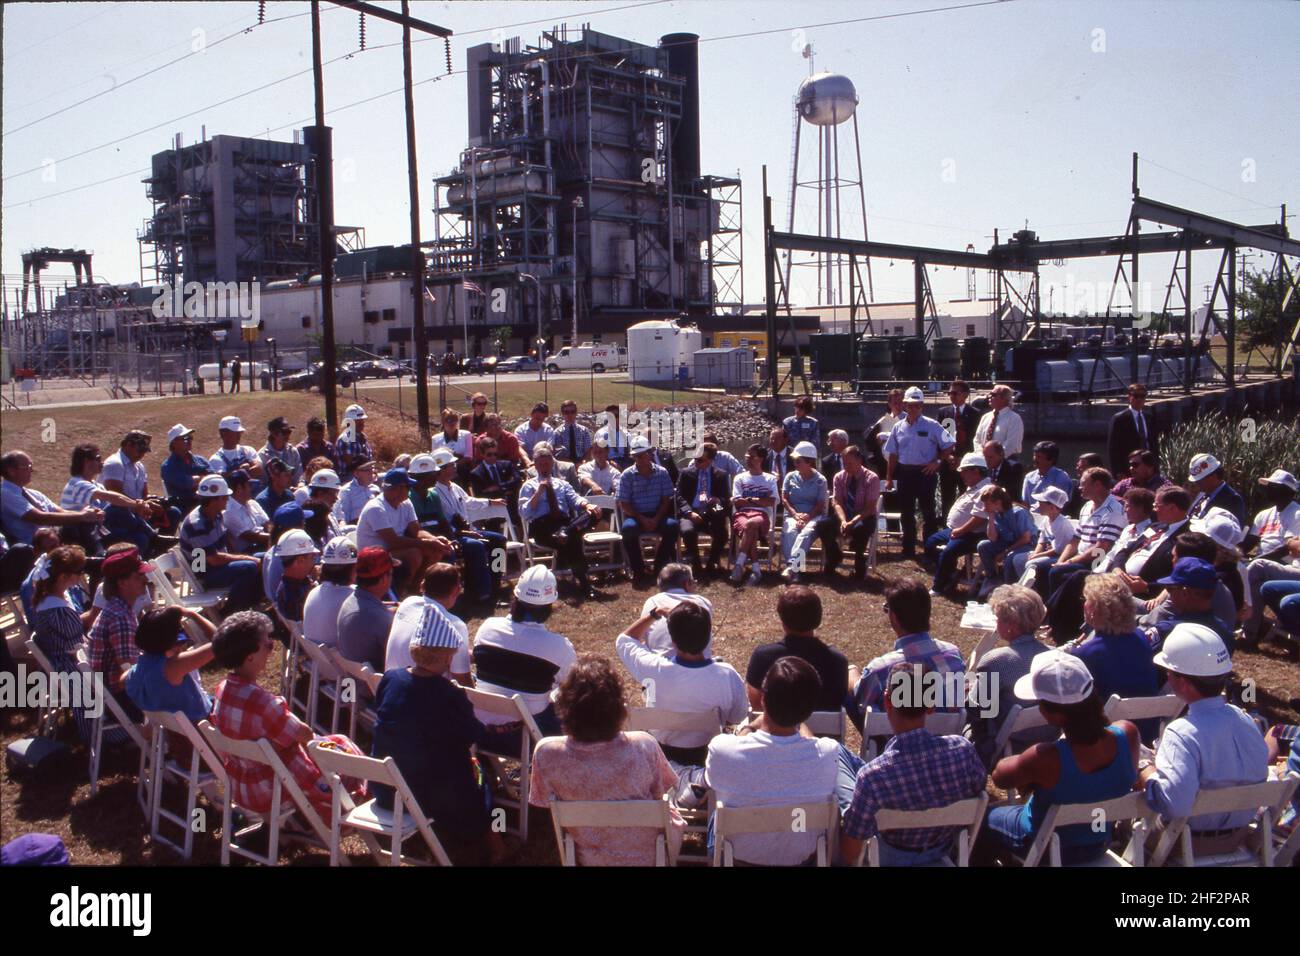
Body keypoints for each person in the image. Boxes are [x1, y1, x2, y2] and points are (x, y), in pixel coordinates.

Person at [370, 598, 506, 864]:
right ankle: (498, 847)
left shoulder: (391, 679)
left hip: (387, 788)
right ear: (446, 655)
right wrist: (498, 730)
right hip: (432, 793)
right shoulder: (449, 695)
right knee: (481, 778)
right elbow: (475, 736)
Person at [976, 652, 1140, 865]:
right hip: (1099, 840)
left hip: (1047, 846)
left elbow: (1000, 777)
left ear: (1053, 715)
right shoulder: (1127, 733)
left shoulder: (1046, 757)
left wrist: (1029, 764)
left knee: (983, 820)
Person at [210, 611, 366, 825]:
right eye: (269, 646)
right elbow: (305, 735)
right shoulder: (264, 704)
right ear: (250, 656)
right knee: (346, 755)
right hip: (271, 788)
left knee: (335, 742)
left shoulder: (221, 690)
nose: (271, 651)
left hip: (241, 785)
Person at [528, 656, 685, 866]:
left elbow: (542, 802)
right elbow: (660, 793)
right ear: (619, 708)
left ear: (566, 707)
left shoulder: (547, 753)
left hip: (588, 857)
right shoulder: (644, 746)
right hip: (650, 856)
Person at [838, 661, 989, 866]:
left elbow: (850, 852)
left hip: (888, 856)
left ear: (888, 702)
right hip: (941, 850)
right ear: (931, 705)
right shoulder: (963, 751)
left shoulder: (873, 777)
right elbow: (977, 791)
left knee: (837, 754)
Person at [1137, 623, 1269, 856]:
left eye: (1168, 672)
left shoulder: (1181, 732)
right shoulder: (1247, 721)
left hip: (1186, 845)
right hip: (1237, 839)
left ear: (1183, 682)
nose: (1166, 676)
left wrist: (1144, 771)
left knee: (1125, 823)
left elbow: (1175, 805)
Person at [704, 657, 841, 866]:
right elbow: (811, 742)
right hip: (799, 858)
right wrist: (796, 719)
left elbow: (714, 776)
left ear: (763, 700)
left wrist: (749, 727)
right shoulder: (828, 754)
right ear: (810, 709)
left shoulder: (722, 750)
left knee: (718, 814)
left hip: (738, 856)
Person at [616, 602, 748, 769]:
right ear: (708, 636)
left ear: (672, 639)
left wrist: (654, 614)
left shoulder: (653, 668)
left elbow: (624, 640)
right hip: (707, 758)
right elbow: (737, 717)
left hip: (661, 758)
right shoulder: (727, 675)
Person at [846, 578, 964, 733]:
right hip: (943, 741)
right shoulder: (953, 655)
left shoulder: (881, 668)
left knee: (848, 691)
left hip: (895, 742)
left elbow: (862, 702)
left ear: (893, 617)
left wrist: (851, 673)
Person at [472, 566, 576, 740]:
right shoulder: (560, 647)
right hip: (525, 736)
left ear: (515, 598)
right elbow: (571, 689)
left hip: (481, 731)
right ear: (549, 606)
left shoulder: (487, 628)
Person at [967, 585, 1055, 765]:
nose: (996, 623)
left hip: (1009, 742)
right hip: (1048, 738)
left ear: (1011, 626)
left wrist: (967, 695)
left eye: (998, 619)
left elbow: (979, 710)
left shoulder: (996, 660)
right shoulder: (1054, 655)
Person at [1039, 467, 1126, 619]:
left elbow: (1101, 548)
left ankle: (1055, 617)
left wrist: (1068, 562)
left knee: (1057, 572)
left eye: (1083, 483)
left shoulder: (1113, 510)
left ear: (1097, 485)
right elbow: (1075, 539)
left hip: (1098, 561)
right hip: (1081, 557)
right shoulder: (1086, 506)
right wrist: (1061, 561)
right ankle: (1046, 613)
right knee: (1043, 567)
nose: (1079, 487)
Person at [745, 585, 848, 714]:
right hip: (823, 734)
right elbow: (836, 703)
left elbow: (756, 706)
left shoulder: (763, 656)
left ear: (782, 620)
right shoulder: (837, 660)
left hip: (774, 733)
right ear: (818, 618)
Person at [518, 443, 601, 600]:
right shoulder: (528, 486)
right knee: (573, 539)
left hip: (564, 523)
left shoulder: (561, 483)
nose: (544, 467)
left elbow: (575, 499)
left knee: (593, 513)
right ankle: (585, 583)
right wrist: (538, 492)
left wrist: (587, 504)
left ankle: (566, 532)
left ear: (552, 464)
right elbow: (524, 512)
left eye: (547, 463)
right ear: (535, 465)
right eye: (541, 464)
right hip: (542, 526)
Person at [883, 386, 956, 559]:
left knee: (928, 512)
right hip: (905, 473)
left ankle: (930, 550)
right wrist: (889, 477)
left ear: (922, 406)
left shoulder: (932, 425)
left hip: (925, 473)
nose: (914, 408)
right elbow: (892, 454)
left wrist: (937, 462)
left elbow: (949, 444)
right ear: (905, 405)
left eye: (918, 405)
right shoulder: (897, 427)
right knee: (906, 513)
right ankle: (908, 549)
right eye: (910, 405)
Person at [1067, 574, 1161, 705]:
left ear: (1093, 610)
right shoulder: (1141, 637)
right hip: (1149, 721)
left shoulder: (1084, 655)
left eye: (1086, 599)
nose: (1083, 604)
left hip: (1111, 724)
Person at [85, 546, 154, 719]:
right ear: (122, 583)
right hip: (120, 698)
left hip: (111, 690)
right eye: (139, 576)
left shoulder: (119, 608)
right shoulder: (120, 617)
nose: (145, 579)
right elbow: (127, 669)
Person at [178, 475, 263, 614]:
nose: (228, 500)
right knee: (249, 567)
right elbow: (214, 559)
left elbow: (225, 545)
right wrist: (248, 558)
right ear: (213, 500)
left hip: (218, 566)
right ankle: (230, 612)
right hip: (205, 573)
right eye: (224, 497)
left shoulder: (216, 515)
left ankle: (252, 605)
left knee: (264, 558)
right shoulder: (197, 524)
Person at [356, 468, 448, 594]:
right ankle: (401, 592)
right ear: (398, 489)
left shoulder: (406, 503)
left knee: (435, 551)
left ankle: (415, 589)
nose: (410, 491)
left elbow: (416, 532)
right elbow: (393, 541)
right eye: (408, 487)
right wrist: (427, 543)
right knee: (414, 554)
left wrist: (435, 540)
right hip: (373, 555)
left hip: (394, 550)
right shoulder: (376, 508)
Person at [124, 605, 217, 728]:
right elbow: (220, 641)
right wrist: (191, 614)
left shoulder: (133, 674)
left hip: (172, 737)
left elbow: (122, 680)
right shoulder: (174, 666)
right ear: (171, 639)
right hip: (205, 732)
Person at [385, 563, 473, 685]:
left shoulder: (407, 603)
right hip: (425, 697)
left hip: (392, 687)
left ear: (422, 585)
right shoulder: (456, 625)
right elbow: (463, 682)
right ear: (457, 590)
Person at [1242, 469, 1300, 645]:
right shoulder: (1264, 514)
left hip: (1288, 565)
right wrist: (1235, 555)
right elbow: (1249, 542)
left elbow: (1288, 549)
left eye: (1273, 487)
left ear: (1287, 491)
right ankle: (1247, 627)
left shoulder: (1296, 513)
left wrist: (1255, 561)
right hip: (1264, 562)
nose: (1268, 491)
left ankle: (1246, 627)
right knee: (1243, 568)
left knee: (1258, 567)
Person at [1, 450, 103, 550]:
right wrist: (82, 516)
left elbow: (61, 512)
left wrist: (89, 514)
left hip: (52, 538)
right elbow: (39, 518)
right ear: (11, 471)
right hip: (34, 546)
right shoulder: (5, 493)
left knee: (84, 523)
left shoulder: (34, 494)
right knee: (75, 526)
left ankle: (97, 554)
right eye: (28, 467)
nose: (32, 470)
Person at [60, 443, 149, 556]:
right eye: (98, 459)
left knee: (139, 537)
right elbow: (111, 497)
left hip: (100, 530)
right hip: (85, 534)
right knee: (116, 506)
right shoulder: (77, 484)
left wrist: (137, 505)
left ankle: (149, 543)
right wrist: (136, 505)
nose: (102, 463)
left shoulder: (96, 485)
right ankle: (151, 537)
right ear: (86, 462)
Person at [924, 452, 990, 595]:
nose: (962, 475)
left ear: (976, 471)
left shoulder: (986, 490)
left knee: (949, 552)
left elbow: (979, 518)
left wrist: (960, 531)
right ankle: (950, 574)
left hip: (973, 534)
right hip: (958, 530)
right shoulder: (974, 486)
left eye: (964, 471)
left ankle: (939, 586)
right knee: (930, 543)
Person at [618, 436, 679, 581]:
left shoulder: (662, 472)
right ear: (632, 456)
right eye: (636, 455)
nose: (640, 458)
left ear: (649, 453)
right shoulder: (626, 475)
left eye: (642, 454)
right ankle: (638, 569)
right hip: (636, 515)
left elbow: (666, 499)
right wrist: (642, 518)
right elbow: (624, 503)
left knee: (673, 527)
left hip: (658, 514)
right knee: (627, 530)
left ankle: (659, 565)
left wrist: (656, 518)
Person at [1148, 557, 1236, 656]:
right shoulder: (1225, 633)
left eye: (1170, 589)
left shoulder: (1166, 630)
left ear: (1184, 593)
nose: (1169, 593)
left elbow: (1135, 655)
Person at [335, 547, 397, 671]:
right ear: (384, 578)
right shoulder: (375, 617)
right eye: (391, 574)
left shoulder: (351, 600)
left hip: (353, 679)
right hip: (370, 687)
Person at [826, 445, 880, 580]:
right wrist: (844, 521)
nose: (846, 467)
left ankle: (859, 564)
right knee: (823, 526)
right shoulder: (839, 477)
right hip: (844, 515)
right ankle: (834, 557)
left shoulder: (871, 478)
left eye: (849, 463)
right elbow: (836, 502)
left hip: (864, 516)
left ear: (859, 461)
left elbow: (869, 508)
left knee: (860, 529)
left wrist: (852, 522)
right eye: (844, 463)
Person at [677, 444, 730, 577]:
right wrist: (689, 512)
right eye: (695, 459)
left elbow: (726, 498)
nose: (696, 462)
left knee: (722, 532)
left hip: (712, 508)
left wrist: (719, 501)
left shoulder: (721, 475)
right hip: (692, 509)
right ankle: (696, 564)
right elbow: (678, 496)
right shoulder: (686, 473)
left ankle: (712, 562)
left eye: (700, 460)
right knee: (687, 531)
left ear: (710, 460)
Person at [779, 441, 829, 582]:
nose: (795, 463)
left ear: (809, 462)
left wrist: (807, 517)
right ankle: (796, 571)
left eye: (798, 461)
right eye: (795, 460)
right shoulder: (790, 477)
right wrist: (795, 515)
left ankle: (791, 567)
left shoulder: (820, 480)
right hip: (793, 514)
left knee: (806, 533)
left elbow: (820, 504)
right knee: (790, 531)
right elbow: (784, 499)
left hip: (813, 515)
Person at [730, 444, 779, 586]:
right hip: (742, 515)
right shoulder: (740, 478)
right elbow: (737, 502)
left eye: (752, 457)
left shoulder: (770, 479)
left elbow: (773, 502)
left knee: (751, 525)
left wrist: (750, 500)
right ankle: (756, 570)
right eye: (747, 456)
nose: (748, 460)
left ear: (761, 459)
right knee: (751, 529)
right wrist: (761, 500)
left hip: (761, 516)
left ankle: (739, 564)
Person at [639, 563, 713, 657]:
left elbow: (641, 637)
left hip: (659, 665)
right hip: (698, 665)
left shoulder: (651, 602)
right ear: (687, 583)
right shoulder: (702, 602)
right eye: (693, 582)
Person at [974, 484, 1035, 596]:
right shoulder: (997, 513)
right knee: (983, 546)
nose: (984, 507)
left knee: (1010, 557)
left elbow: (1026, 538)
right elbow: (992, 538)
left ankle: (1009, 590)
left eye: (987, 503)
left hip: (1025, 545)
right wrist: (991, 518)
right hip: (1007, 542)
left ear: (998, 502)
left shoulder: (1018, 512)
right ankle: (992, 579)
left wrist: (1005, 552)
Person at [936, 379, 982, 515]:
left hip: (967, 464)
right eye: (949, 393)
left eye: (955, 393)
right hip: (948, 464)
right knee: (947, 498)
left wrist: (964, 459)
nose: (952, 396)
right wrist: (948, 456)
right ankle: (946, 526)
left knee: (967, 498)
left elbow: (976, 440)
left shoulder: (975, 414)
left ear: (965, 395)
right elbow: (942, 439)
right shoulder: (944, 413)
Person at [302, 536, 356, 649]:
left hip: (319, 661)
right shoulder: (353, 599)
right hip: (344, 664)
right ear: (353, 568)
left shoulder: (313, 592)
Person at [1020, 486, 1074, 596]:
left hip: (1060, 557)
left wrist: (1037, 556)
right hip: (1049, 553)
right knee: (1018, 559)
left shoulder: (1062, 524)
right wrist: (1036, 553)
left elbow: (1058, 550)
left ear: (1053, 507)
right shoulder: (1046, 519)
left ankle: (1033, 593)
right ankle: (1022, 588)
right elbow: (1042, 541)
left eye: (1042, 503)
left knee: (1032, 563)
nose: (1039, 505)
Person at [1107, 383, 1159, 477]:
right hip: (1128, 469)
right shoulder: (1119, 419)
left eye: (1142, 396)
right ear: (1129, 397)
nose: (1139, 399)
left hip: (1149, 468)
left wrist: (1156, 467)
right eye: (1136, 396)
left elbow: (1154, 444)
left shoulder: (1149, 418)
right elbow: (1113, 448)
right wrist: (1118, 472)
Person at [160, 424, 212, 517]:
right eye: (185, 438)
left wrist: (199, 480)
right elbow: (186, 483)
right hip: (186, 506)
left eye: (190, 438)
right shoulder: (168, 466)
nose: (189, 441)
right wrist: (205, 479)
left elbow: (214, 477)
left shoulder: (200, 460)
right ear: (174, 443)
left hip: (206, 501)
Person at [273, 530, 318, 626]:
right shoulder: (292, 595)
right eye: (312, 557)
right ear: (300, 560)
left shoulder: (296, 583)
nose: (314, 563)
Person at [1187, 453, 1247, 524]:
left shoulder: (1232, 499)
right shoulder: (1203, 495)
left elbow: (1234, 529)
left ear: (1213, 476)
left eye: (1200, 480)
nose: (1197, 483)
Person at [223, 470, 270, 555]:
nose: (251, 488)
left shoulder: (252, 503)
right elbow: (250, 537)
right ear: (239, 488)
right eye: (249, 485)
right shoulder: (228, 512)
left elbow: (268, 524)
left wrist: (275, 536)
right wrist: (277, 538)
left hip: (264, 543)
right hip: (248, 552)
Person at [973, 383, 1024, 459]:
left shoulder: (1014, 419)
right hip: (983, 461)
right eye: (990, 394)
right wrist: (982, 455)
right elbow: (977, 439)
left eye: (993, 394)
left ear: (1004, 398)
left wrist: (994, 458)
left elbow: (1011, 444)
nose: (989, 396)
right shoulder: (985, 417)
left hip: (1006, 461)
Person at [208, 417, 263, 482]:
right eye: (235, 432)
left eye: (239, 432)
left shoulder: (248, 450)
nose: (239, 435)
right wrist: (245, 470)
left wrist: (235, 474)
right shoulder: (215, 459)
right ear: (223, 433)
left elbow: (259, 469)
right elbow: (222, 480)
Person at [1020, 440, 1072, 508]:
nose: (1035, 459)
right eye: (1034, 456)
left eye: (1039, 457)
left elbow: (1061, 505)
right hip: (1030, 516)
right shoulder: (1029, 477)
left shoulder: (1062, 478)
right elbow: (1025, 503)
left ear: (1051, 460)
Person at [333, 460, 380, 527]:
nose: (371, 473)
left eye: (372, 469)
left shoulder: (375, 489)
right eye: (367, 470)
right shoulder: (346, 491)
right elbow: (344, 518)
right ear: (356, 474)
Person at [334, 404, 374, 482]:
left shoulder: (362, 437)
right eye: (357, 421)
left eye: (362, 420)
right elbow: (351, 466)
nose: (361, 423)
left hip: (364, 474)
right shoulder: (346, 438)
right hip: (349, 477)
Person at [257, 417, 303, 485]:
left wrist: (299, 486)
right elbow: (263, 482)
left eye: (289, 431)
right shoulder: (262, 456)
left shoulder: (293, 452)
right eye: (285, 432)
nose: (288, 435)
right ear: (274, 434)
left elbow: (299, 476)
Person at [555, 400, 593, 465]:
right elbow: (559, 454)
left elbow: (588, 451)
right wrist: (572, 466)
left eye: (572, 412)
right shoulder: (558, 433)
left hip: (582, 462)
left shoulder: (584, 431)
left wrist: (582, 463)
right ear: (562, 414)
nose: (570, 415)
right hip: (565, 463)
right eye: (566, 412)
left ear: (576, 413)